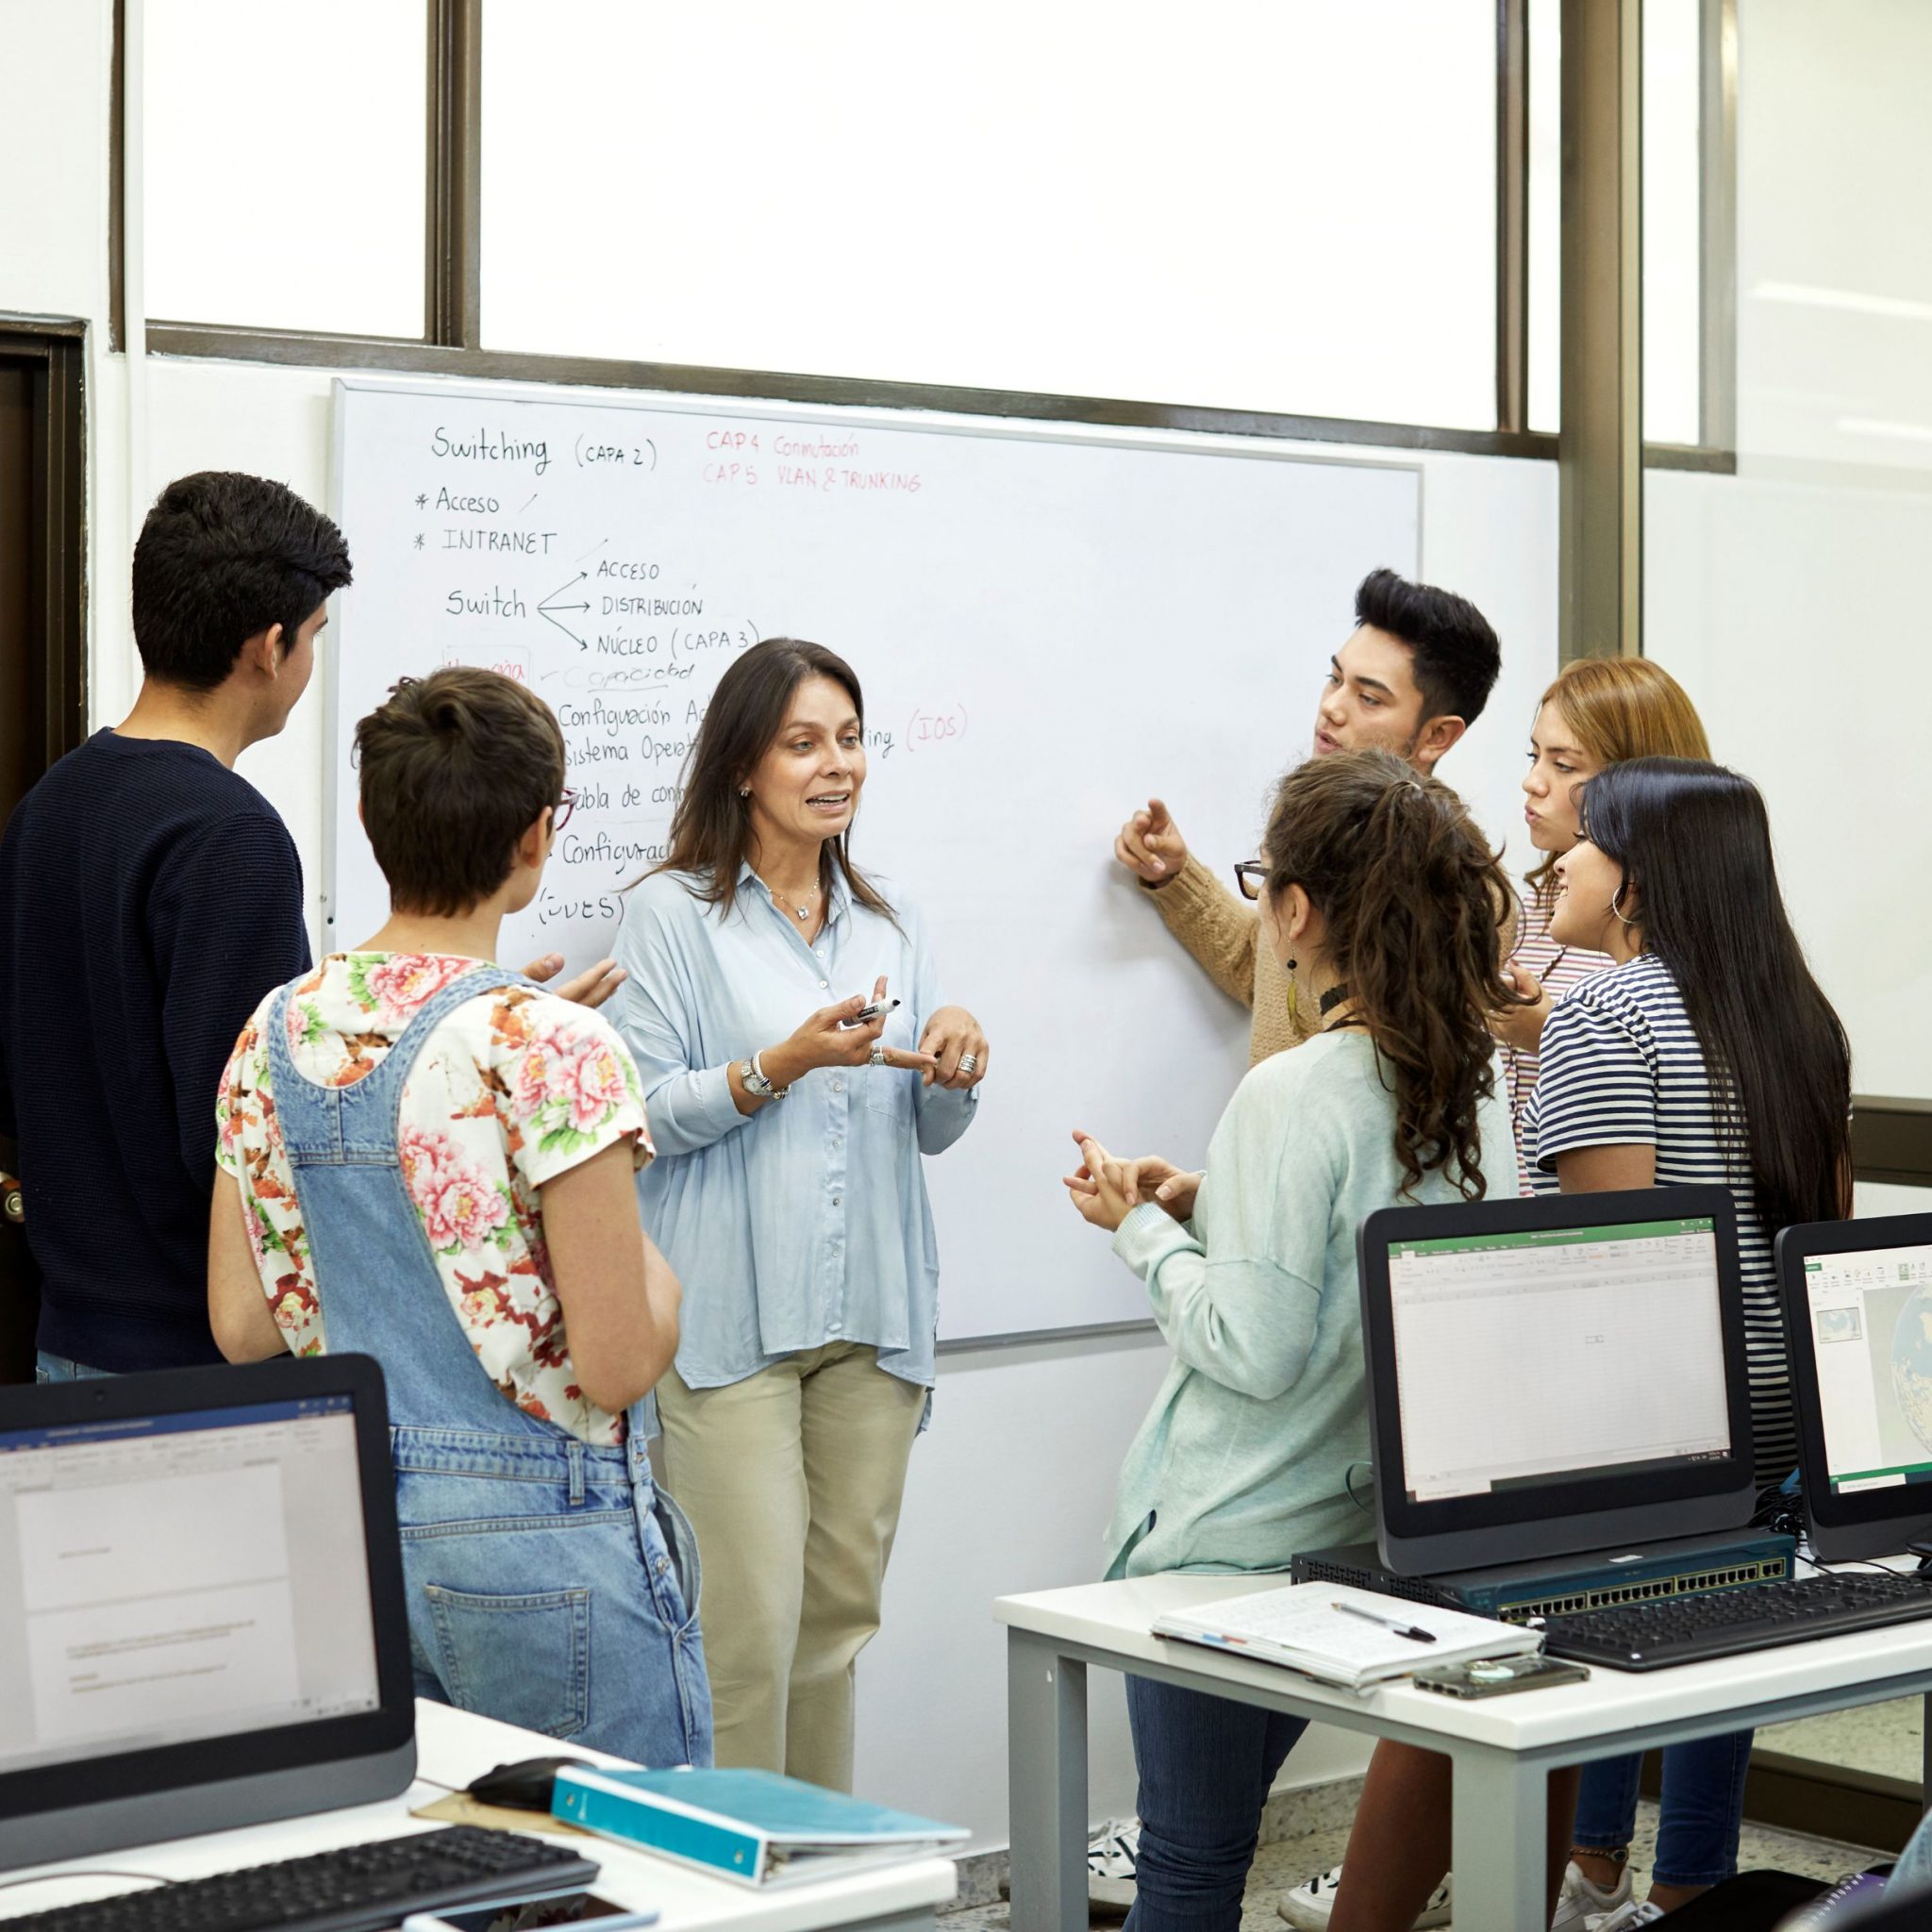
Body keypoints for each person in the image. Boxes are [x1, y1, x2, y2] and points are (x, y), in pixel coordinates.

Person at [1325, 759, 1852, 1932]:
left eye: (1586, 837)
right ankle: (1639, 1888)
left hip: (1662, 1434)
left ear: (1636, 882)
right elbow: (1821, 1243)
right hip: (1775, 1440)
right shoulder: (1796, 1019)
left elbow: (1613, 1282)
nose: (1557, 854)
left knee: (1477, 1673)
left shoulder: (1602, 1016)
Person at [0, 470, 614, 1384]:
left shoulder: (50, 803)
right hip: (200, 1358)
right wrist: (481, 1054)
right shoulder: (227, 836)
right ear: (269, 644)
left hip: (66, 1340)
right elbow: (249, 1127)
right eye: (315, 636)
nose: (311, 662)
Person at [208, 668, 709, 1764]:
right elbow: (619, 1359)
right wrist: (659, 1280)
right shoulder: (552, 1044)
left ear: (370, 820)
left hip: (349, 1530)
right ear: (535, 837)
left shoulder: (274, 1027)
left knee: (424, 1872)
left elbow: (244, 1329)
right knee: (632, 1875)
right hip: (540, 1535)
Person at [1282, 658, 1713, 1924]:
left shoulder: (1634, 978)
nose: (1532, 787)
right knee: (1537, 1665)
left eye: (1565, 766)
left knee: (1515, 1651)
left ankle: (1612, 1880)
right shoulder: (1541, 920)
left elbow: (1610, 1237)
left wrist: (1540, 1041)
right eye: (1530, 757)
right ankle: (1560, 1879)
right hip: (1542, 1325)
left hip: (1580, 1354)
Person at [1064, 750, 1516, 1932]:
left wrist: (1139, 1236)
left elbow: (1254, 1345)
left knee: (1189, 1868)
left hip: (1234, 1543)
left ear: (1299, 912)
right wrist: (1212, 1201)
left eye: (1263, 881)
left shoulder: (1292, 1090)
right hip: (1359, 1536)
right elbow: (1369, 1255)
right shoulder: (1460, 1083)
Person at [612, 637, 987, 1791]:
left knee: (833, 1629)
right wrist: (776, 1064)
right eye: (804, 742)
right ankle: (734, 1896)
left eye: (850, 738)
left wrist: (954, 1072)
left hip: (869, 1320)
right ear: (742, 766)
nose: (838, 766)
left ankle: (823, 1890)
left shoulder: (892, 921)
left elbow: (920, 1133)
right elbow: (642, 1112)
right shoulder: (670, 914)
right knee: (745, 1636)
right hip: (728, 1326)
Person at [1113, 568, 1506, 1065]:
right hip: (1274, 1134)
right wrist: (1175, 877)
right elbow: (1268, 967)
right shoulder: (1306, 821)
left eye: (1368, 697)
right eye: (1335, 678)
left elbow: (1387, 1066)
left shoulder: (1457, 881)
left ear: (1437, 736)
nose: (1332, 708)